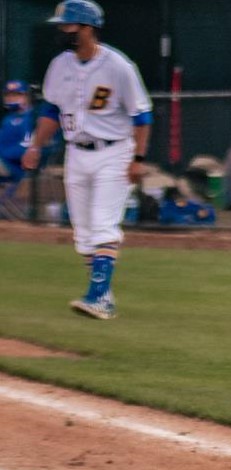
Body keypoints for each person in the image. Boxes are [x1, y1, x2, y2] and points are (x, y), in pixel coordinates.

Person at [19, 1, 152, 321]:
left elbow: (142, 114)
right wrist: (36, 146)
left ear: (87, 29)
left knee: (104, 224)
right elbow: (52, 110)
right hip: (76, 152)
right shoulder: (60, 65)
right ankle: (102, 293)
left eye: (68, 26)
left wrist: (138, 158)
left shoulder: (118, 66)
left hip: (114, 152)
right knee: (83, 233)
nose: (62, 31)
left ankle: (99, 297)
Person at [1, 80, 34, 183]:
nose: (11, 98)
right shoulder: (8, 118)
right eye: (8, 95)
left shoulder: (32, 117)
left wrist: (3, 154)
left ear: (27, 96)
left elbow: (28, 146)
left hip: (16, 167)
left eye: (16, 95)